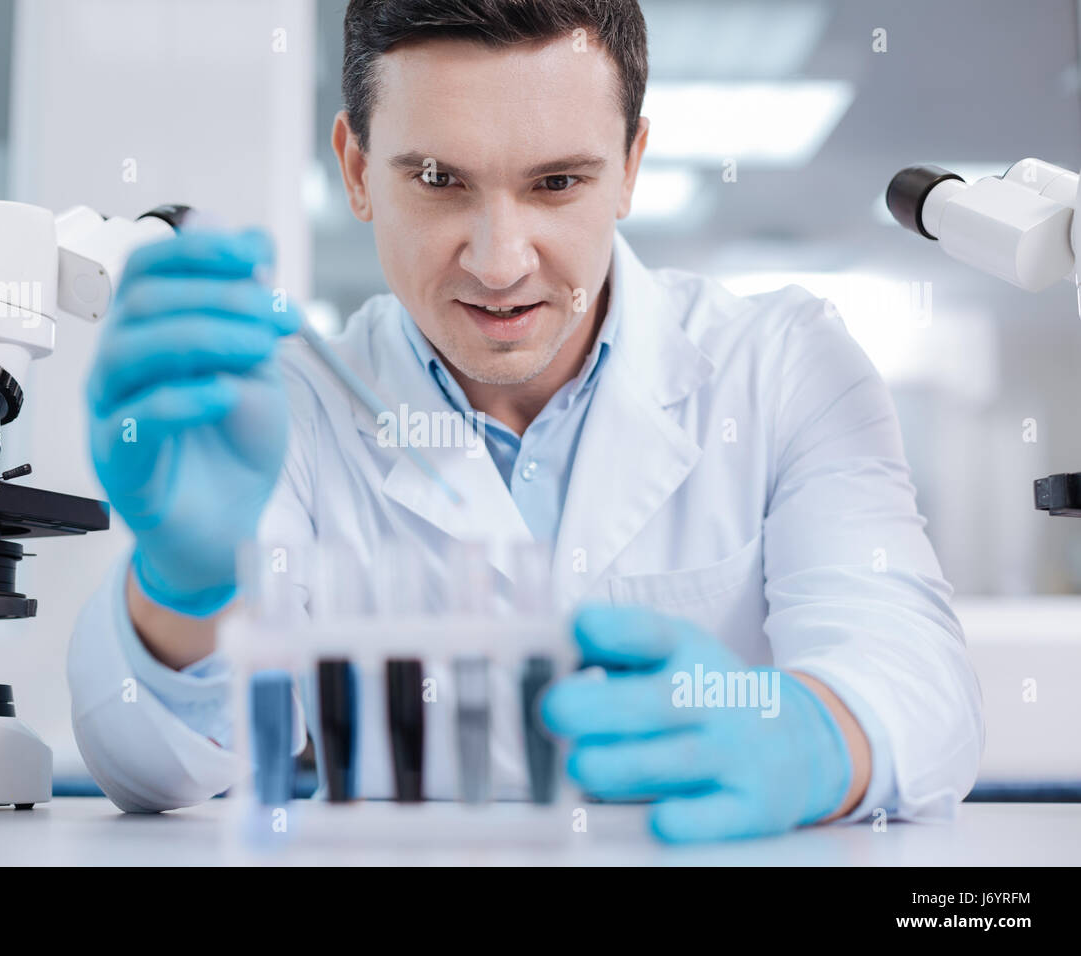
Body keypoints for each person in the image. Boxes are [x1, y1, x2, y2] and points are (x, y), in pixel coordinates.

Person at [67, 0, 984, 842]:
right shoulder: (286, 407)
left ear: (628, 167)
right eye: (437, 178)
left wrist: (825, 735)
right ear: (356, 170)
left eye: (555, 183)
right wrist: (184, 589)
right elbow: (160, 771)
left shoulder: (781, 367)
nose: (500, 262)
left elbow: (918, 683)